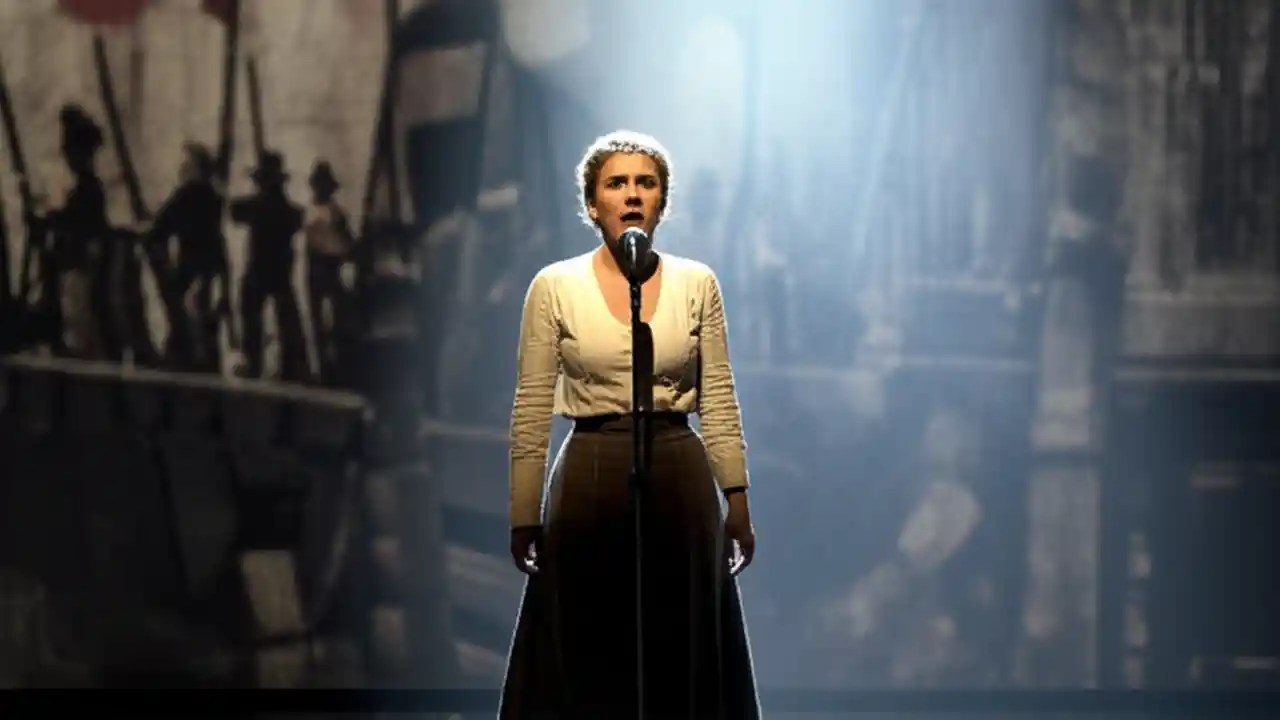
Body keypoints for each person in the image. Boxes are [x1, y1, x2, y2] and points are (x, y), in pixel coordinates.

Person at [499, 130, 761, 718]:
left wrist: (737, 499)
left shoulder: (697, 283)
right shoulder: (554, 286)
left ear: (662, 200)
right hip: (592, 469)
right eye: (616, 183)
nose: (633, 194)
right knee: (590, 640)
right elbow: (532, 405)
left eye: (646, 183)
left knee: (679, 643)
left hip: (677, 467)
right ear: (593, 204)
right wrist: (524, 513)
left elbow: (719, 396)